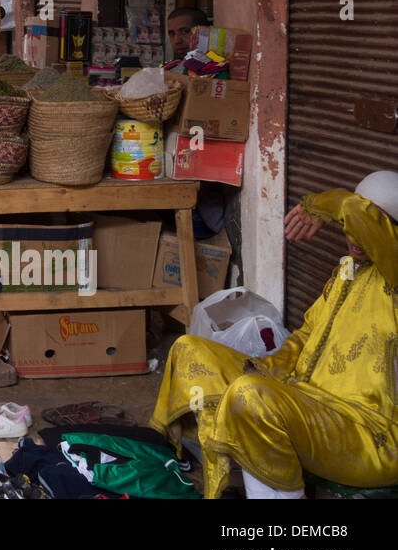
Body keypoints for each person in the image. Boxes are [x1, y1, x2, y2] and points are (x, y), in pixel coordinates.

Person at [150, 170, 398, 499]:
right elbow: (306, 335)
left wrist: (325, 203)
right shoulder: (347, 272)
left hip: (367, 437)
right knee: (190, 349)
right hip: (307, 399)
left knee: (251, 396)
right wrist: (268, 367)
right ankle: (197, 457)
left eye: (366, 225)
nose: (353, 235)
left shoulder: (393, 280)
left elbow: (358, 216)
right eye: (349, 226)